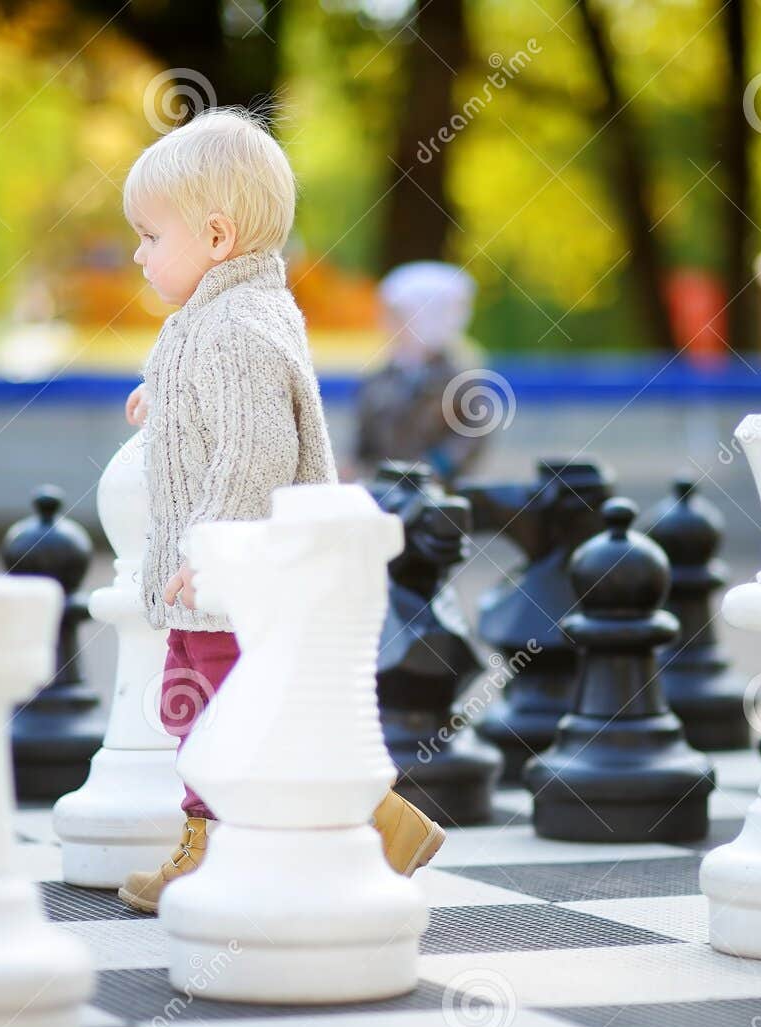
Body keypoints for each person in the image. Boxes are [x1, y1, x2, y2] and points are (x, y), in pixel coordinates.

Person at [116, 107, 446, 915]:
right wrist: (163, 394)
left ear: (218, 238)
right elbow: (226, 410)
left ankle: (244, 846)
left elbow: (254, 449)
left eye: (152, 237)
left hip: (232, 584)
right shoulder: (225, 317)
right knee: (245, 712)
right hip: (235, 582)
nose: (138, 252)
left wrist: (214, 558)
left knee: (216, 717)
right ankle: (359, 826)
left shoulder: (233, 328)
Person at [354, 261, 488, 486]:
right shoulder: (378, 378)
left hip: (440, 499)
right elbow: (363, 444)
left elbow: (471, 440)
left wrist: (433, 470)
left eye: (399, 316)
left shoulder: (461, 378)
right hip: (383, 493)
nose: (389, 324)